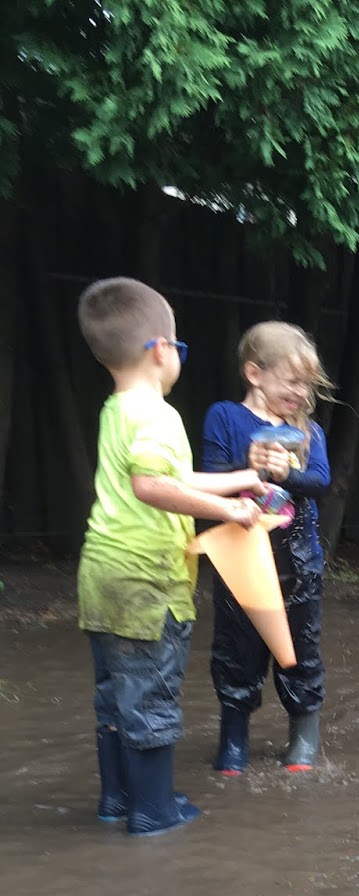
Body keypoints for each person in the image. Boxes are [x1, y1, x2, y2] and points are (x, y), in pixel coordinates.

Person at [76, 278, 266, 835]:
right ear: (162, 349)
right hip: (147, 582)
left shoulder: (116, 409)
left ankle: (117, 801)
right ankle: (153, 811)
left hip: (102, 576)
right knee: (152, 695)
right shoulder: (158, 415)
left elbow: (173, 477)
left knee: (115, 694)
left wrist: (242, 480)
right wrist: (229, 511)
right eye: (178, 346)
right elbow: (152, 487)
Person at [203, 323, 333, 774]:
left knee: (301, 646)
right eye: (292, 381)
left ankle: (304, 735)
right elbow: (209, 476)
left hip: (299, 562)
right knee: (236, 647)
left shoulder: (308, 430)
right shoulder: (224, 417)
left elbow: (320, 482)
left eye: (307, 385)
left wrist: (287, 475)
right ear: (254, 373)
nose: (301, 393)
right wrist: (249, 465)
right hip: (240, 559)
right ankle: (233, 738)